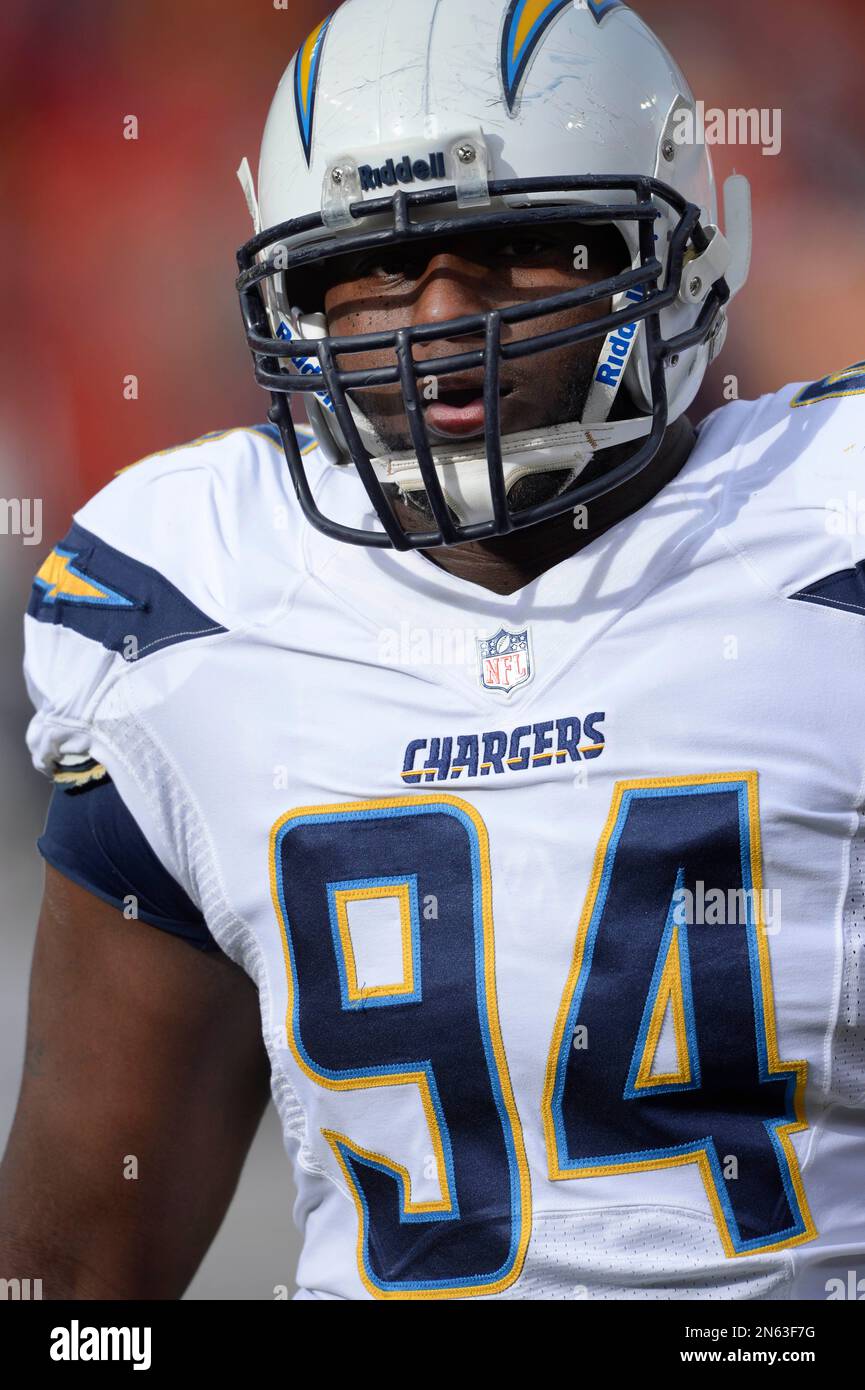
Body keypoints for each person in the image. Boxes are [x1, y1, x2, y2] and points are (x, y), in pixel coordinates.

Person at [2, 0, 863, 1301]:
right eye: (372, 269)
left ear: (685, 254)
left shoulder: (827, 530)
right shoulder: (200, 603)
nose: (445, 319)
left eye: (523, 247)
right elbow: (73, 1277)